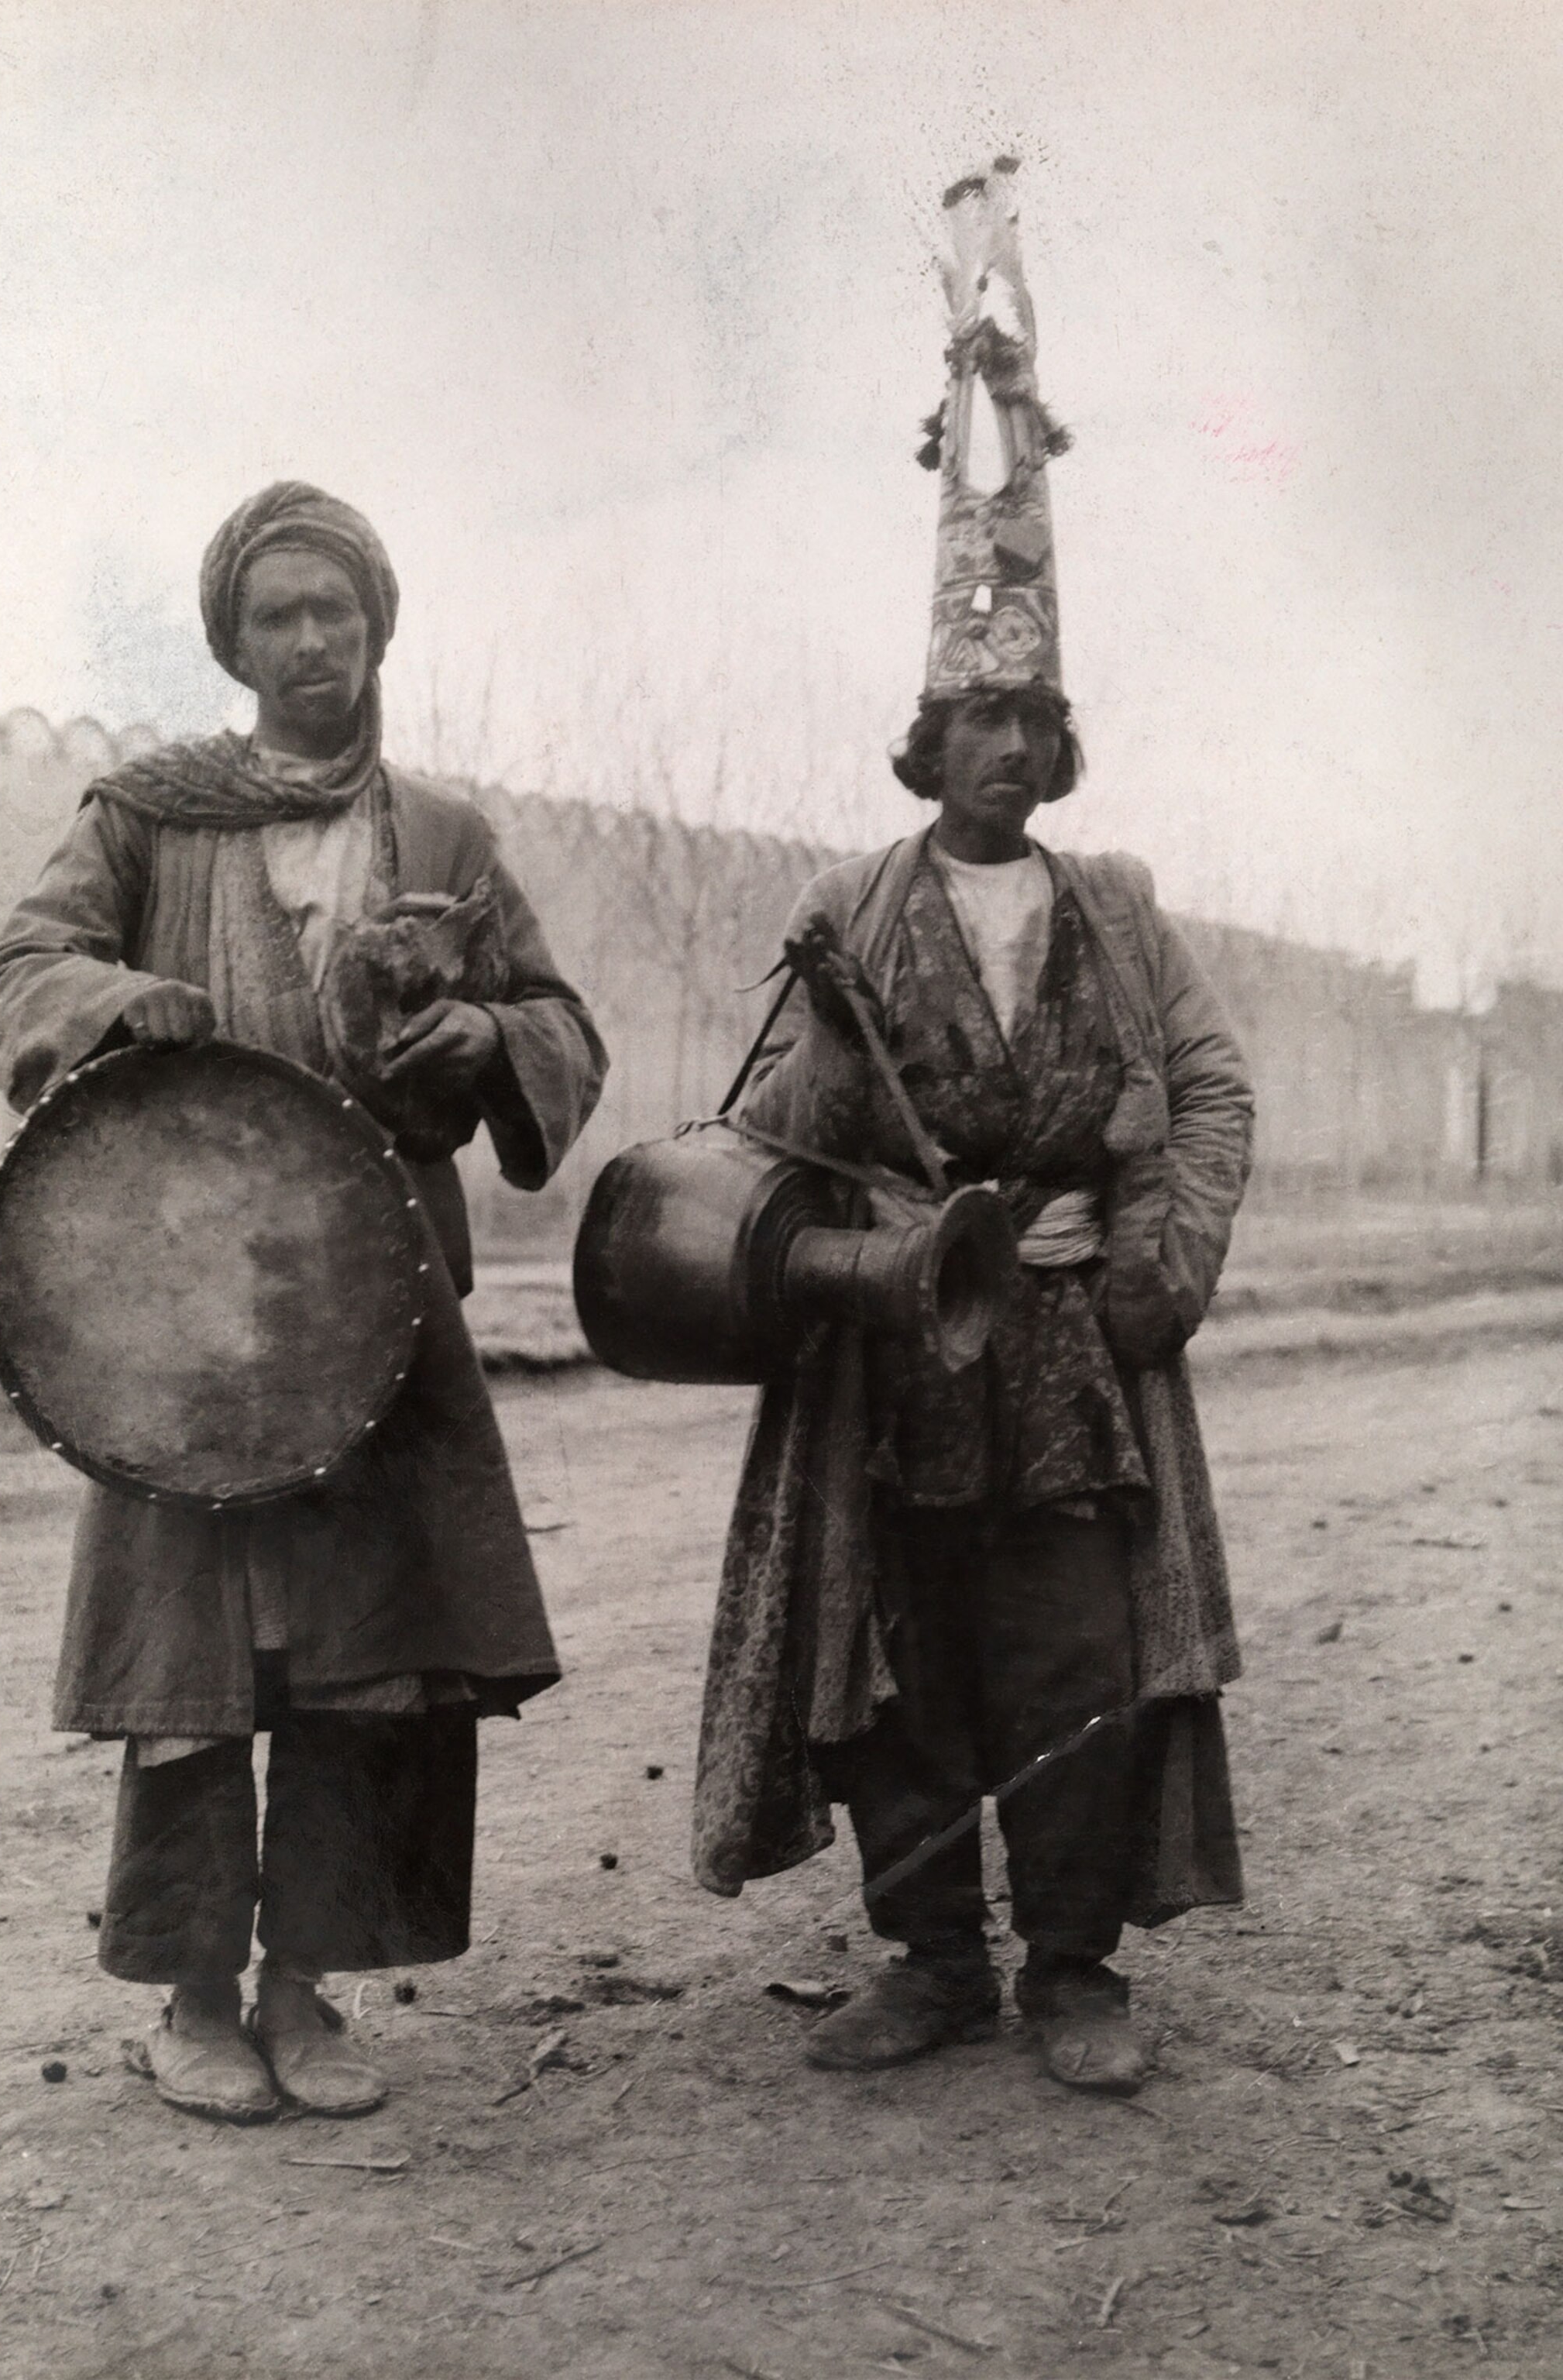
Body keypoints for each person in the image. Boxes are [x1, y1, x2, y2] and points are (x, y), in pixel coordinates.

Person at [688, 169, 1252, 2096]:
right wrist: (860, 1222)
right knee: (898, 1658)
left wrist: (1156, 1259)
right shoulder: (850, 913)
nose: (1006, 744)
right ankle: (932, 1961)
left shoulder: (1122, 913)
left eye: (1034, 716)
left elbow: (1212, 1090)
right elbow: (772, 1140)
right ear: (925, 740)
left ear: (1063, 744)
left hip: (1081, 1354)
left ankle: (1075, 1970)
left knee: (1077, 1659)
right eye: (975, 715)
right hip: (896, 1364)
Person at [0, 482, 606, 2123]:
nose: (312, 640)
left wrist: (493, 1039)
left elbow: (559, 1023)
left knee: (366, 1658)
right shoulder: (147, 818)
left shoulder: (446, 841)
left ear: (379, 627)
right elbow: (13, 974)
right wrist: (122, 1003)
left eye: (338, 610)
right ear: (233, 645)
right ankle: (191, 2002)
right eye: (279, 615)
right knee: (194, 1662)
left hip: (382, 1308)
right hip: (185, 1314)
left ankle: (308, 1991)